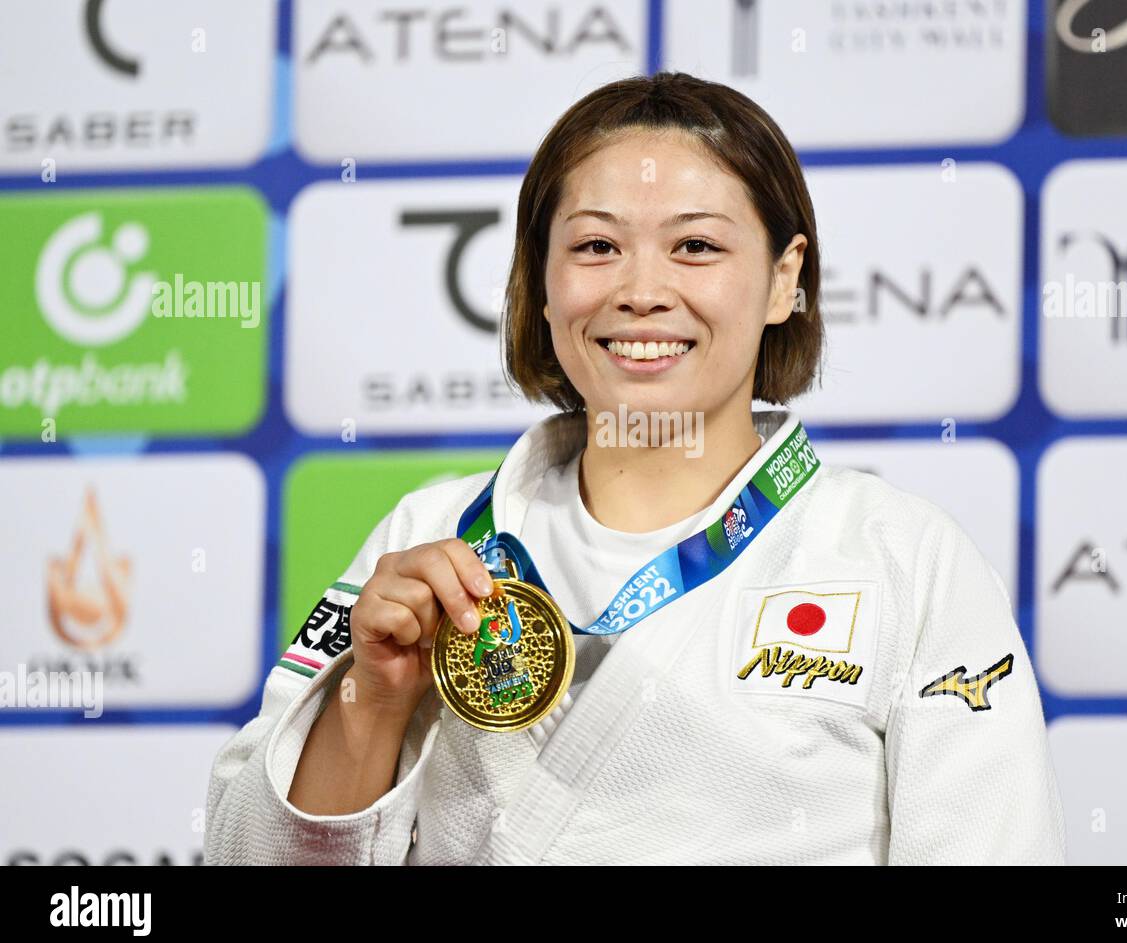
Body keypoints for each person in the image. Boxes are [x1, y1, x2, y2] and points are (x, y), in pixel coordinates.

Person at [205, 71, 1067, 865]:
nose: (642, 290)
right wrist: (376, 698)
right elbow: (246, 857)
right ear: (540, 287)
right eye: (594, 248)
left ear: (782, 281)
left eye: (695, 247)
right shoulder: (428, 537)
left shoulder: (903, 561)